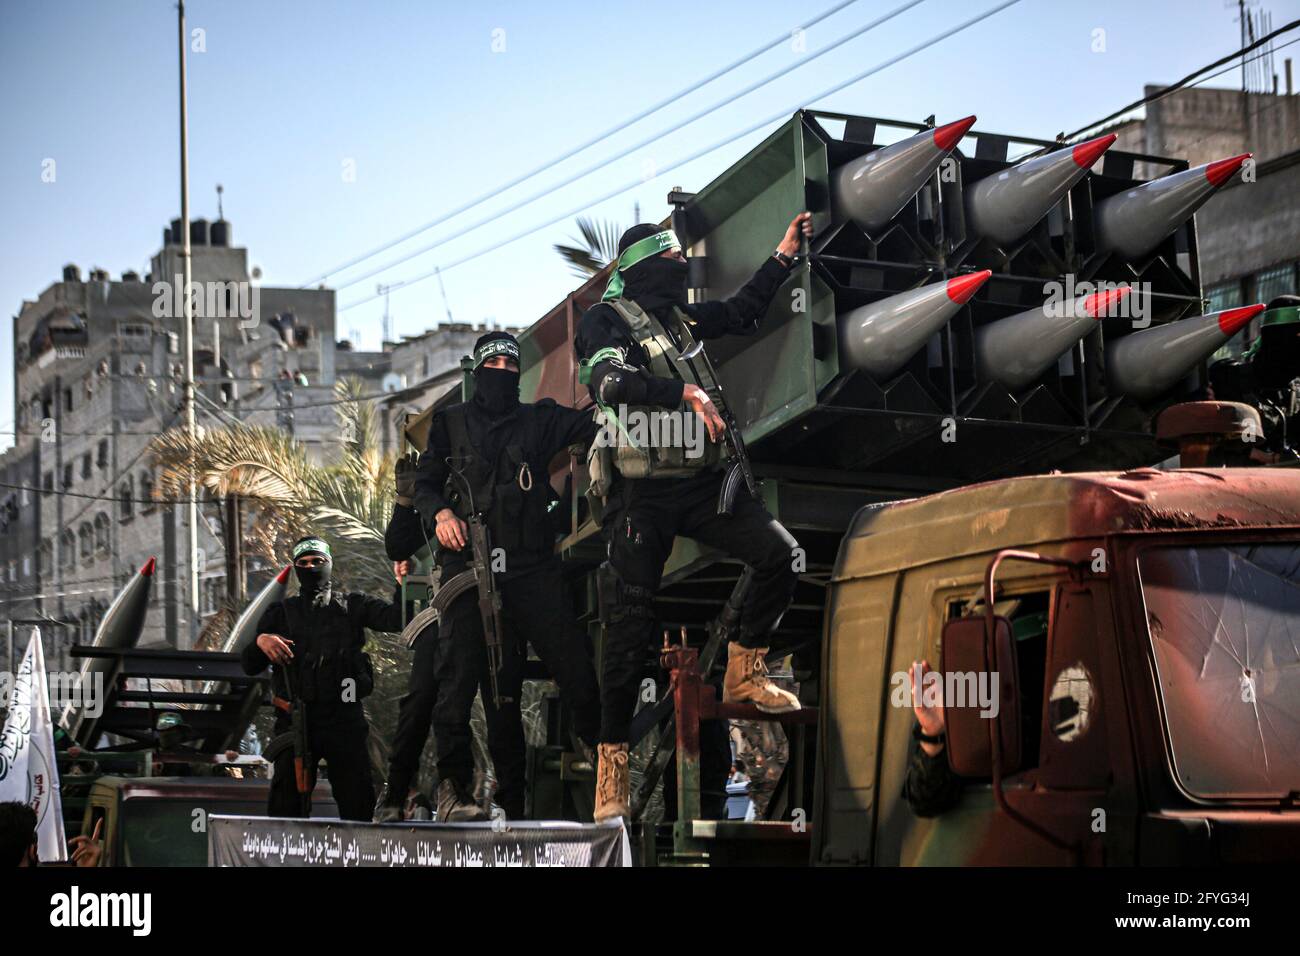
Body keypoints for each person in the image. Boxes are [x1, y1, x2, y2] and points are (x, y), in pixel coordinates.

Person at [574, 213, 813, 822]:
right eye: (670, 259)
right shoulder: (606, 320)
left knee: (780, 555)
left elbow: (741, 311)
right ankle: (611, 770)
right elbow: (607, 381)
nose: (680, 267)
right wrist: (682, 393)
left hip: (702, 484)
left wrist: (783, 256)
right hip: (639, 497)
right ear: (642, 268)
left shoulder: (682, 320)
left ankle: (744, 669)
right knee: (627, 636)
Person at [410, 330, 602, 822]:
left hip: (529, 568)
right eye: (491, 364)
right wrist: (440, 516)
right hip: (468, 570)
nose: (501, 372)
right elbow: (425, 483)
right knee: (462, 688)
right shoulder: (450, 424)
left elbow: (591, 423)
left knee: (574, 667)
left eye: (510, 366)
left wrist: (618, 383)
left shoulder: (536, 421)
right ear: (476, 371)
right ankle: (455, 792)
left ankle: (604, 768)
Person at [240, 535, 413, 821]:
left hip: (343, 720)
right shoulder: (281, 613)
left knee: (357, 804)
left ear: (329, 564)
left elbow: (397, 619)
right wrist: (261, 640)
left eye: (318, 561)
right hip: (295, 722)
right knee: (285, 810)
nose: (311, 567)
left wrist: (403, 584)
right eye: (304, 563)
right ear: (296, 568)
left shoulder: (352, 606)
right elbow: (248, 664)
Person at [375, 452, 441, 822]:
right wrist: (405, 502)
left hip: (488, 609)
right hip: (443, 613)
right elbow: (398, 546)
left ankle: (458, 790)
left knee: (489, 708)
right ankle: (397, 793)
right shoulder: (435, 498)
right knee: (418, 705)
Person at [1208, 294, 1300, 463]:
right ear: (1278, 339)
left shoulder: (1294, 393)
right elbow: (1216, 443)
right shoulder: (1228, 378)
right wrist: (1271, 458)